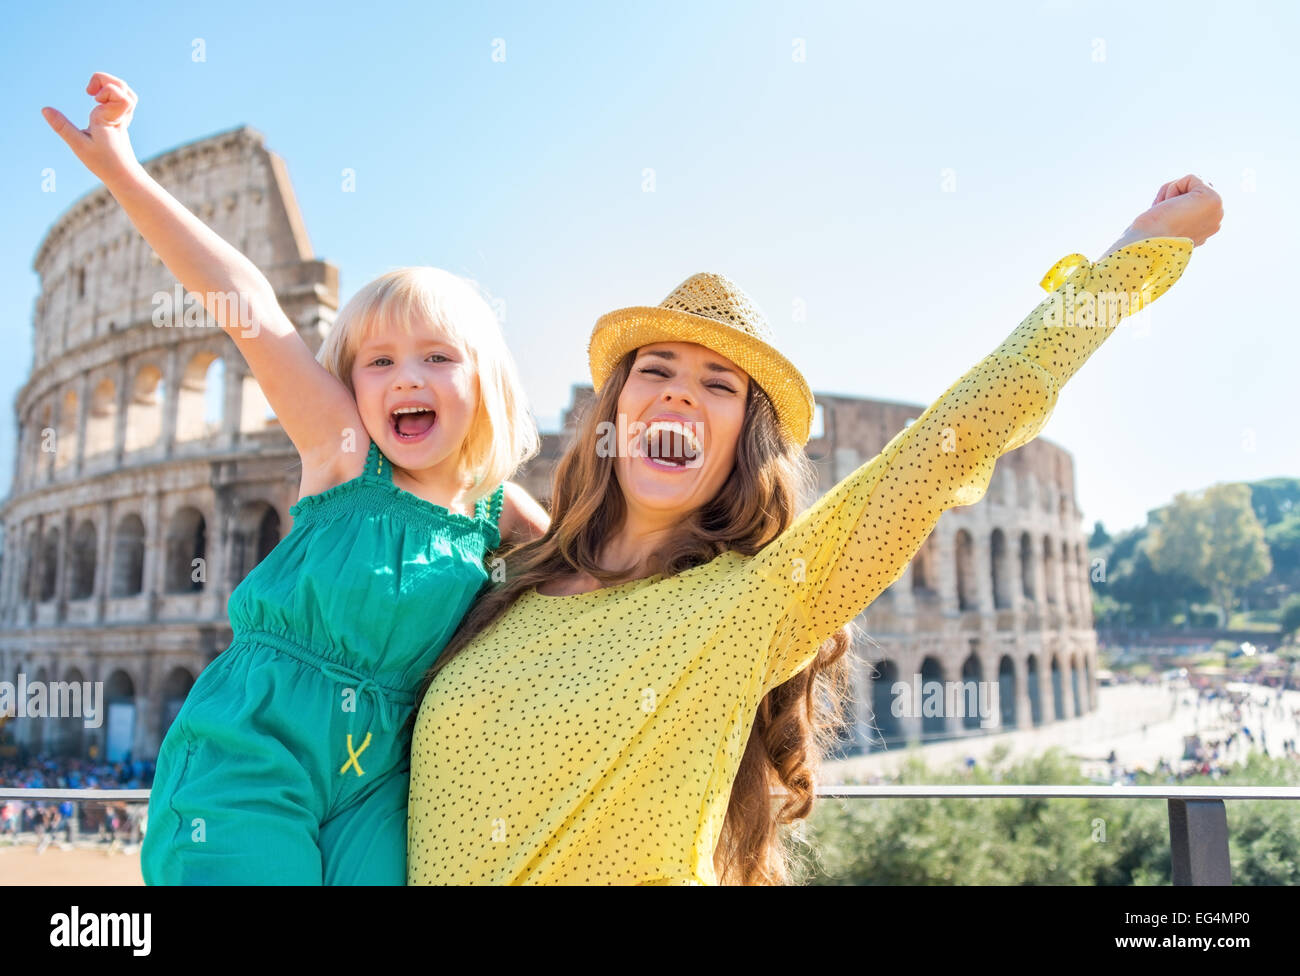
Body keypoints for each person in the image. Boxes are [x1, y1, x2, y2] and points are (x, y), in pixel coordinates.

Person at [407, 175, 1221, 884]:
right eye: (654, 370)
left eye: (718, 384)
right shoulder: (505, 577)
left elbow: (952, 441)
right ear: (612, 415)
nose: (679, 394)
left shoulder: (754, 600)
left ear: (743, 444)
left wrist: (1133, 256)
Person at [42, 72, 551, 884]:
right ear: (349, 383)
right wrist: (123, 173)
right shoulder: (345, 448)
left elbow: (605, 569)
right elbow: (247, 303)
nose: (405, 377)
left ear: (487, 379)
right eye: (378, 361)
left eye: (436, 357)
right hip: (253, 750)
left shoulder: (501, 509)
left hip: (379, 775)